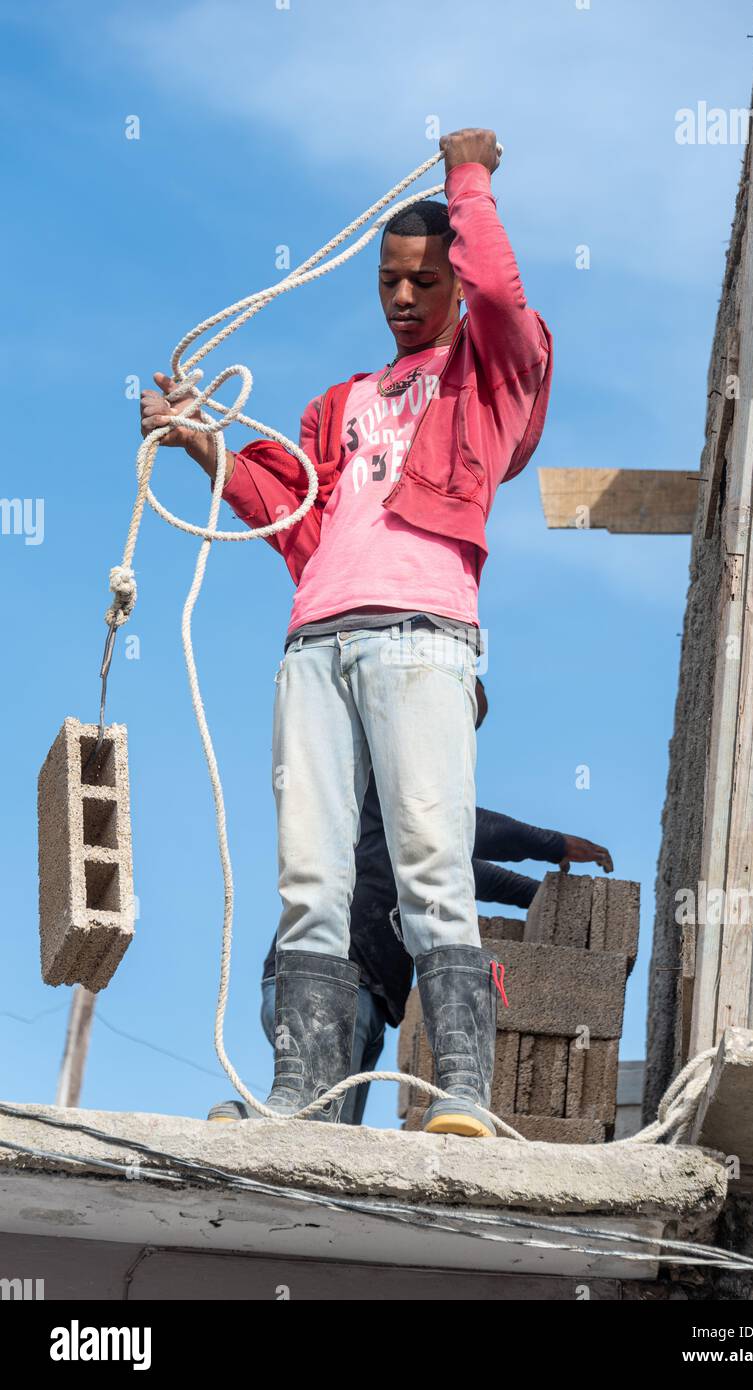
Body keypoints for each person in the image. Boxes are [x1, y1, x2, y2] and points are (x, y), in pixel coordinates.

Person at [140, 127, 553, 1138]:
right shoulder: (342, 403)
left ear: (452, 282)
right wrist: (200, 443)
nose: (404, 298)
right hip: (315, 643)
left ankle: (461, 1091)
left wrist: (470, 178)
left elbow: (501, 292)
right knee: (312, 877)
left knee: (428, 864)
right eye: (388, 282)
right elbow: (293, 516)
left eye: (422, 280)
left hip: (422, 635)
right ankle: (297, 1094)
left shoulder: (495, 371)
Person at [207, 678, 613, 1125]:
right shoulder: (383, 775)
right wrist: (554, 844)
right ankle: (248, 1120)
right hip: (333, 987)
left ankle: (255, 1124)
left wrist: (540, 898)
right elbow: (466, 828)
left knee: (330, 1140)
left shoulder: (410, 814)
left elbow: (457, 870)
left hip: (367, 1000)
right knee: (311, 1122)